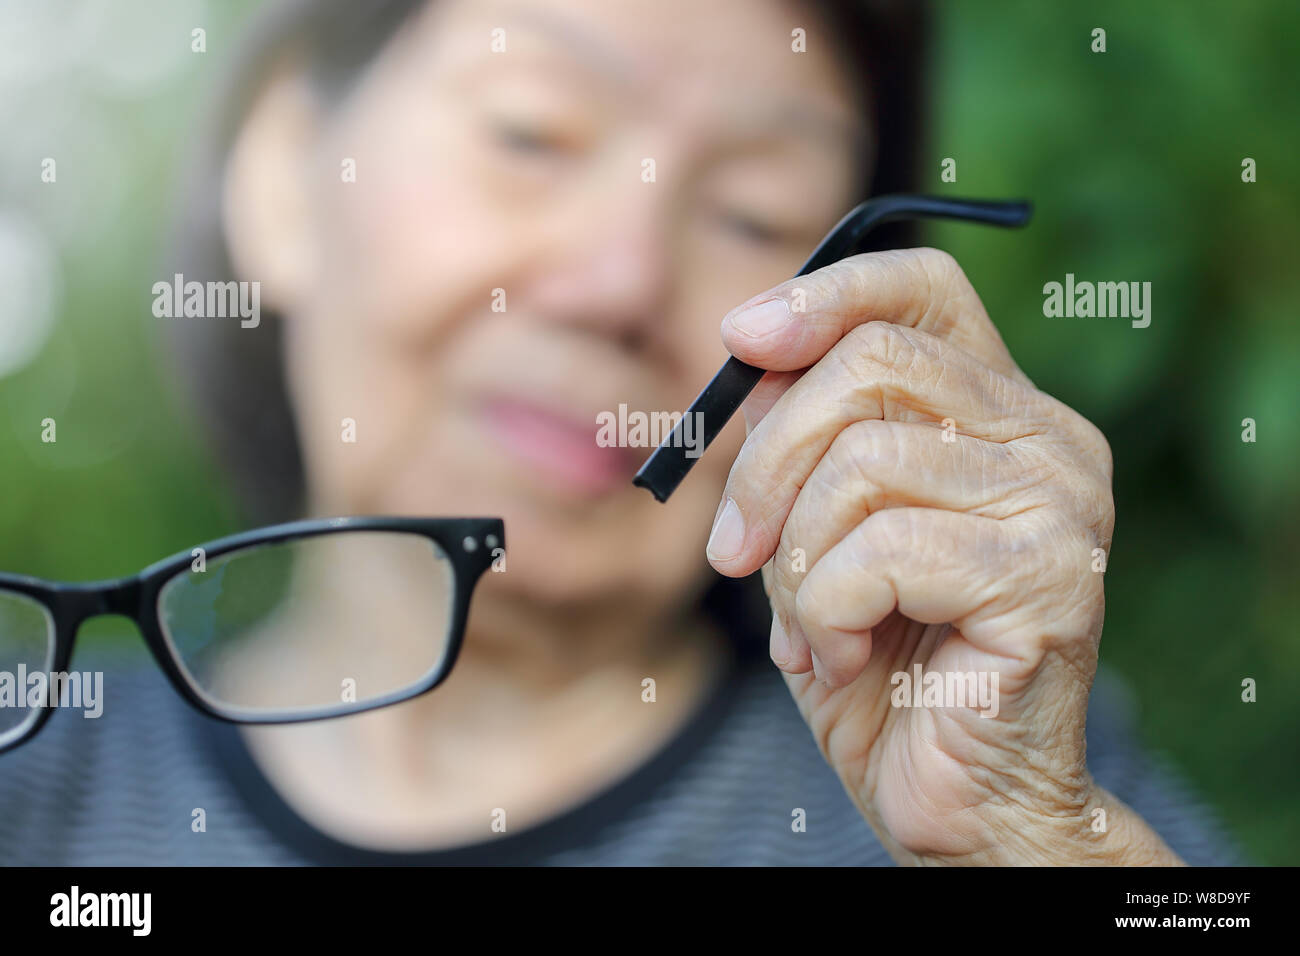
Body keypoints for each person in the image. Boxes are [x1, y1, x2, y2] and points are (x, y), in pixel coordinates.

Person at [0, 0, 1243, 865]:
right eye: (531, 133)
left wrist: (1027, 840)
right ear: (281, 172)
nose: (622, 278)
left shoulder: (995, 766)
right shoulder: (37, 770)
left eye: (755, 214)